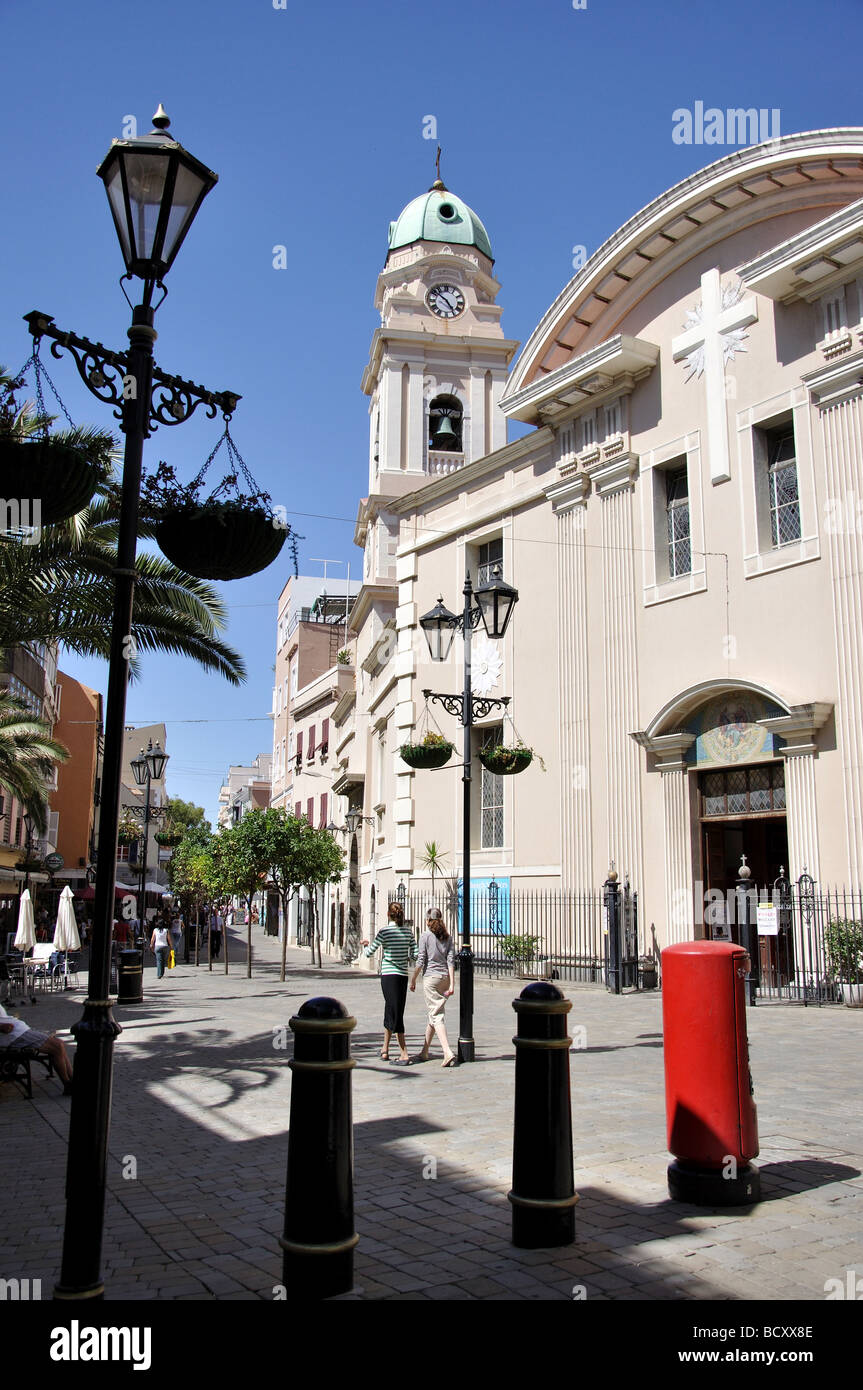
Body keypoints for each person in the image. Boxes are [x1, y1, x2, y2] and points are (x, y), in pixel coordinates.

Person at [362, 902, 417, 1064]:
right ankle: (385, 1048)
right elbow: (415, 955)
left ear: (388, 914)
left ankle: (404, 1053)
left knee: (395, 1011)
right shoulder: (408, 932)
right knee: (392, 1009)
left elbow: (369, 952)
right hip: (402, 975)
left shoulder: (384, 931)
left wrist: (365, 946)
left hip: (388, 975)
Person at [409, 908, 457, 1066]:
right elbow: (451, 961)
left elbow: (421, 960)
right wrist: (451, 983)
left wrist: (414, 978)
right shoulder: (447, 937)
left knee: (436, 1016)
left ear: (428, 920)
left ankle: (447, 1051)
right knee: (434, 1013)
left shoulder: (425, 936)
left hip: (431, 978)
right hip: (444, 978)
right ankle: (424, 1051)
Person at [0, 1001, 74, 1093]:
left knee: (60, 1044)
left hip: (19, 1032)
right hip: (15, 1035)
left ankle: (72, 1080)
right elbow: (4, 1027)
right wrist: (3, 1026)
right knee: (57, 1046)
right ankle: (67, 1083)